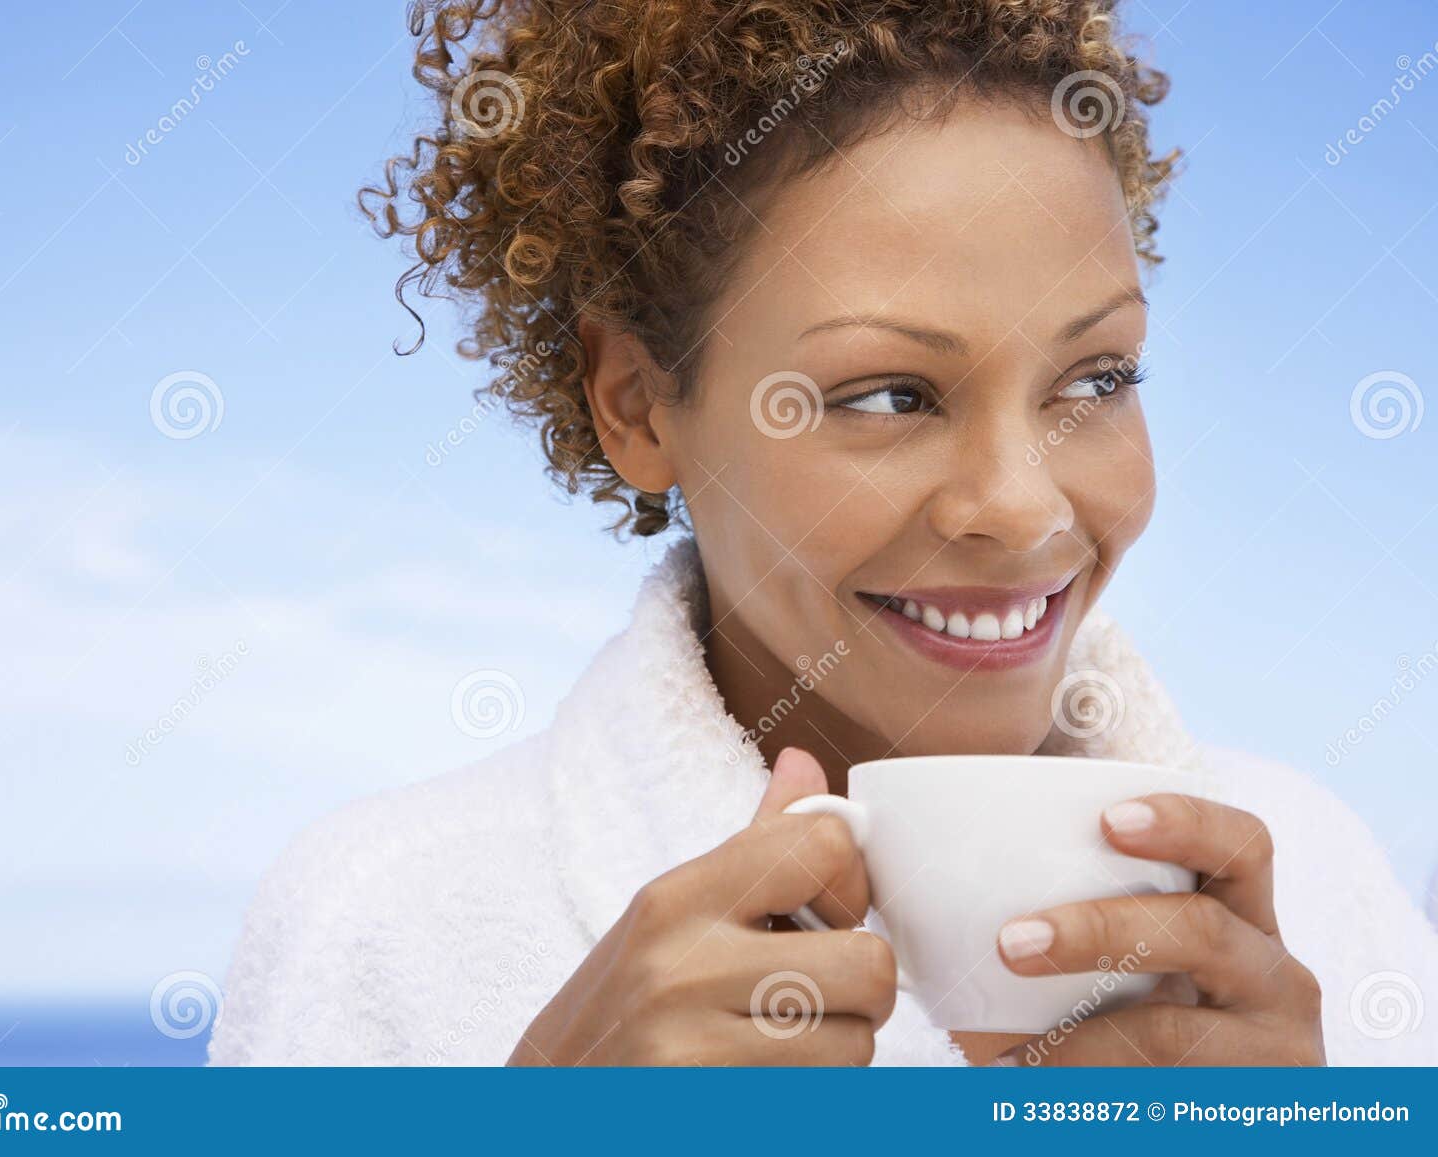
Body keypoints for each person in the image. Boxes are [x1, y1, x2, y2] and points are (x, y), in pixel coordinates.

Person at [208, 0, 1438, 1066]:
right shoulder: (388, 922)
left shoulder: (1317, 884)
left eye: (1096, 377)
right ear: (636, 404)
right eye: (889, 396)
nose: (1021, 505)